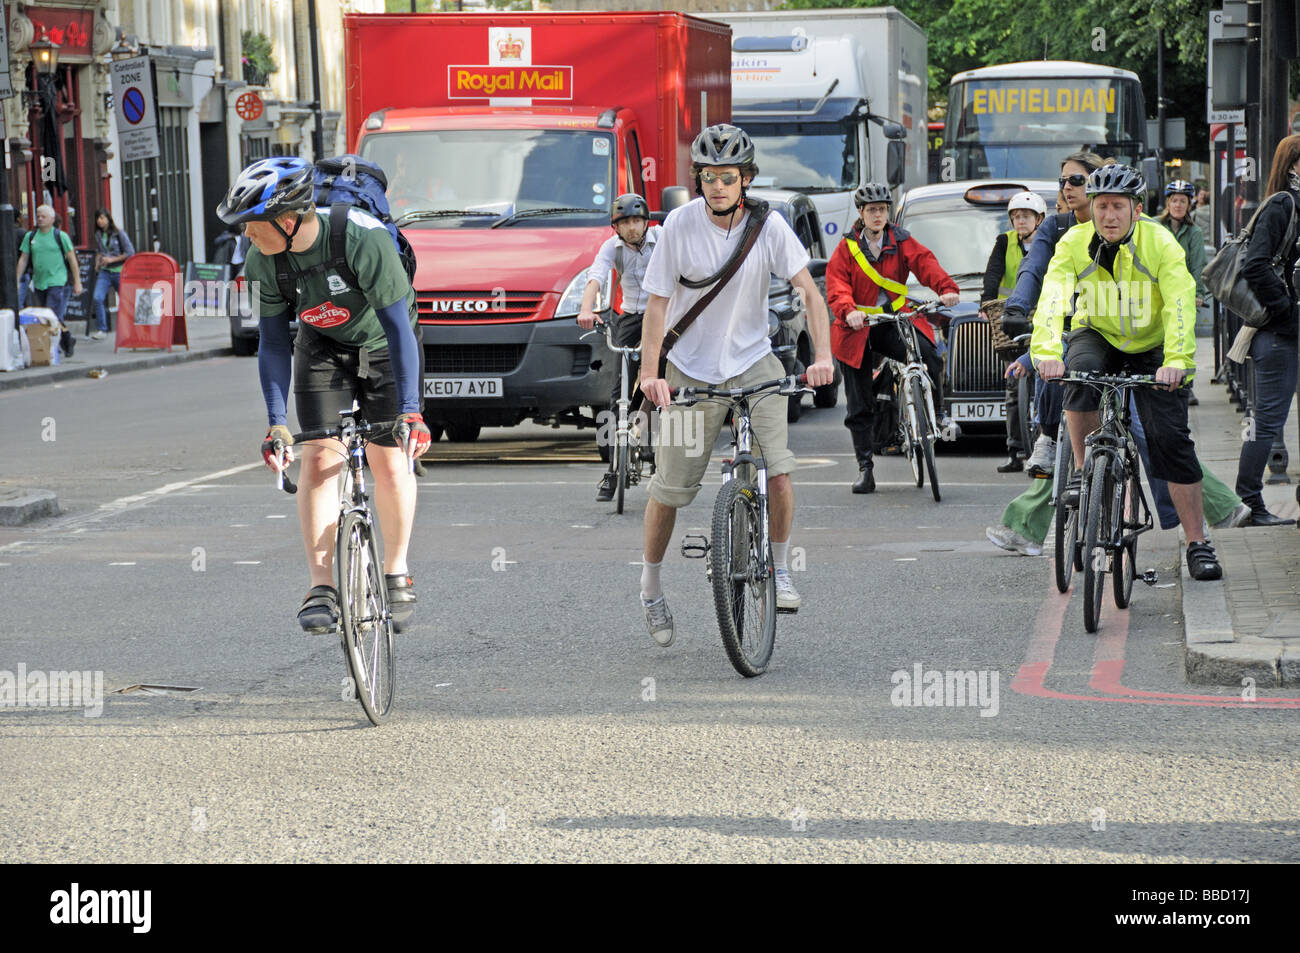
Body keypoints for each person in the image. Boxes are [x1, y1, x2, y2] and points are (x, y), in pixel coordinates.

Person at [217, 156, 433, 633]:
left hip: (385, 343)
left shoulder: (363, 239)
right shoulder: (262, 258)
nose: (246, 237)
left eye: (252, 226)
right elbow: (273, 342)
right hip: (320, 345)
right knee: (317, 458)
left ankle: (396, 571)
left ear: (287, 220)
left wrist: (411, 413)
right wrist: (276, 422)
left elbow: (399, 329)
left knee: (390, 460)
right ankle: (322, 587)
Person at [637, 123, 834, 644]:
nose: (718, 186)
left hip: (754, 363)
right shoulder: (678, 226)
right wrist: (649, 374)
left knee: (780, 471)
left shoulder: (767, 227)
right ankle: (651, 586)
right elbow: (657, 304)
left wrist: (824, 358)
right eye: (708, 177)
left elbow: (809, 293)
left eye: (728, 177)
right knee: (670, 490)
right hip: (690, 368)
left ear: (745, 179)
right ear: (698, 180)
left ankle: (782, 566)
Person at [1032, 164, 1222, 580]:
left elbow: (1179, 303)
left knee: (1170, 439)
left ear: (1137, 210)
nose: (1109, 216)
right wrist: (1047, 352)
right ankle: (1085, 475)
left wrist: (1176, 361)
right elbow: (1052, 297)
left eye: (1119, 206)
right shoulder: (1074, 242)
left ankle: (1197, 542)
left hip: (1152, 344)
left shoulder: (1161, 243)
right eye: (1101, 207)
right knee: (1079, 375)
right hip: (1097, 333)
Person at [825, 182, 960, 494]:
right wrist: (848, 311)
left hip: (891, 319)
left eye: (882, 209)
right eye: (872, 210)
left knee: (928, 355)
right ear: (860, 213)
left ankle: (934, 415)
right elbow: (837, 285)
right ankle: (865, 469)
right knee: (859, 404)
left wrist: (946, 288)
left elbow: (925, 263)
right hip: (856, 328)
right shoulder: (846, 248)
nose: (877, 215)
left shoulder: (900, 239)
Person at [1233, 134, 1300, 526]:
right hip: (1278, 334)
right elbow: (1255, 265)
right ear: (1293, 164)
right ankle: (1249, 503)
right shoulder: (1280, 205)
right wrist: (1285, 310)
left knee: (1267, 419)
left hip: (1288, 331)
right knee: (1267, 422)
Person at [577, 192, 660, 502]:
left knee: (663, 381)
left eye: (637, 221)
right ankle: (613, 469)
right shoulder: (611, 249)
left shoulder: (661, 239)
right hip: (630, 318)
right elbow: (595, 277)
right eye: (625, 223)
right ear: (616, 227)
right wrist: (587, 309)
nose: (632, 228)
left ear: (646, 222)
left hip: (662, 316)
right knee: (617, 393)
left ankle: (655, 445)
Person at [982, 190, 1047, 472]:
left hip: (1041, 317)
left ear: (1039, 219)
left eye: (1026, 216)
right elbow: (993, 273)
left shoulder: (1047, 242)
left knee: (1046, 381)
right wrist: (986, 301)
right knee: (1012, 387)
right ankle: (1014, 450)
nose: (1020, 221)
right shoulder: (1004, 242)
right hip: (1009, 319)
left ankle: (1047, 443)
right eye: (1016, 216)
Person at [16, 203, 83, 357]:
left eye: (43, 216)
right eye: (38, 216)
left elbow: (72, 259)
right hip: (39, 282)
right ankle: (67, 338)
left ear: (52, 219)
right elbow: (23, 259)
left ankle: (51, 347)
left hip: (57, 281)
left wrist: (77, 281)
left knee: (49, 314)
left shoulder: (61, 236)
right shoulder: (30, 236)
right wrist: (17, 279)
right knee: (51, 316)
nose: (40, 218)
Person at [90, 209, 134, 340]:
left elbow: (130, 252)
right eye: (98, 218)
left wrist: (112, 260)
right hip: (105, 271)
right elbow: (100, 250)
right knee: (97, 297)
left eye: (102, 218)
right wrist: (97, 263)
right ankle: (101, 329)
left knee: (125, 300)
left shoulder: (119, 233)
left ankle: (130, 328)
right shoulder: (98, 234)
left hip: (119, 271)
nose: (100, 221)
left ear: (108, 219)